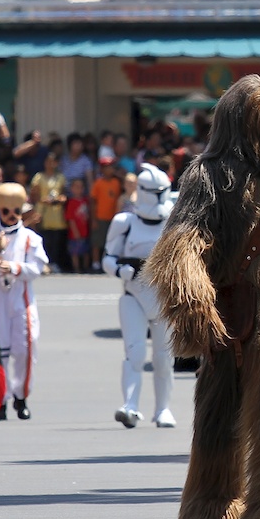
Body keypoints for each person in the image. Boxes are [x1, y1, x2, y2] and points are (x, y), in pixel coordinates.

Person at [103, 163, 177, 429]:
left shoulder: (174, 222)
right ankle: (130, 404)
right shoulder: (125, 222)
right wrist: (121, 269)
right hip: (134, 294)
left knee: (164, 357)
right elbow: (108, 258)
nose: (157, 197)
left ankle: (163, 408)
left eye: (161, 191)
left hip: (164, 297)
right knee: (134, 353)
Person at [0, 183, 48, 421]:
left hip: (21, 300)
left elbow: (37, 268)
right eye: (5, 212)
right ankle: (0, 399)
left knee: (25, 348)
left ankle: (21, 396)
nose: (10, 217)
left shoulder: (30, 239)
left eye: (15, 212)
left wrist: (15, 267)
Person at [28, 150, 67, 273]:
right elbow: (34, 195)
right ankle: (44, 263)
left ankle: (54, 263)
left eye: (53, 162)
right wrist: (43, 200)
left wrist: (60, 199)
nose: (50, 164)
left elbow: (64, 194)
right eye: (48, 162)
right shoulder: (39, 177)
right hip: (43, 211)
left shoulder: (60, 177)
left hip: (56, 212)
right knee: (44, 238)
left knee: (56, 239)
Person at [90, 155, 122, 272]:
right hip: (100, 216)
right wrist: (93, 219)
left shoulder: (116, 182)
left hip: (113, 217)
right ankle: (95, 263)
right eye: (107, 167)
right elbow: (93, 202)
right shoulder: (98, 183)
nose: (110, 170)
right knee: (97, 241)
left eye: (111, 167)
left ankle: (107, 262)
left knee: (110, 241)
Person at [65, 178, 91, 273]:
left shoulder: (85, 201)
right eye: (76, 187)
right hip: (75, 232)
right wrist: (75, 231)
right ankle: (76, 268)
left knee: (85, 251)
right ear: (71, 189)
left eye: (81, 187)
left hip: (85, 230)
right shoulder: (71, 202)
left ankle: (85, 267)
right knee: (74, 251)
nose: (79, 189)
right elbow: (70, 219)